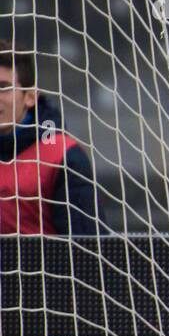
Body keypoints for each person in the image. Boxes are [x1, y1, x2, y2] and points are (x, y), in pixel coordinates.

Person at [0, 41, 99, 235]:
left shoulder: (62, 157)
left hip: (39, 266)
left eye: (3, 87)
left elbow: (88, 253)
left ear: (30, 96)